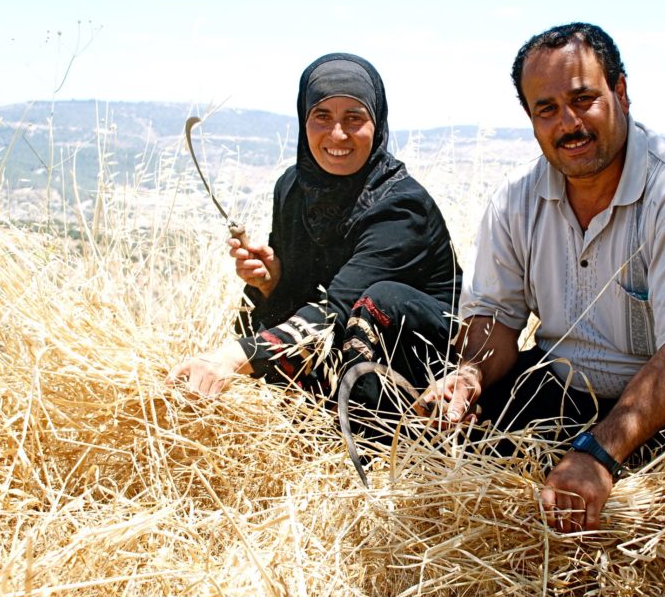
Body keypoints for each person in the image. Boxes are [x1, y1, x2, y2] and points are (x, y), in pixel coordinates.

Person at [427, 23, 665, 533]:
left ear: (621, 93)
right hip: (571, 380)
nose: (569, 123)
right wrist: (471, 374)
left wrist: (597, 454)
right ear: (530, 118)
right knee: (461, 441)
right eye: (546, 109)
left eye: (583, 99)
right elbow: (496, 317)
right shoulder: (515, 199)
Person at [168, 53, 460, 407]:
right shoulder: (293, 187)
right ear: (303, 119)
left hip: (421, 363)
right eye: (322, 116)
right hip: (339, 341)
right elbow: (308, 298)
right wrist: (273, 281)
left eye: (354, 118)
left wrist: (231, 358)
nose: (337, 134)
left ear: (377, 123)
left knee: (379, 300)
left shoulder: (402, 207)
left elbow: (340, 306)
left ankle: (374, 425)